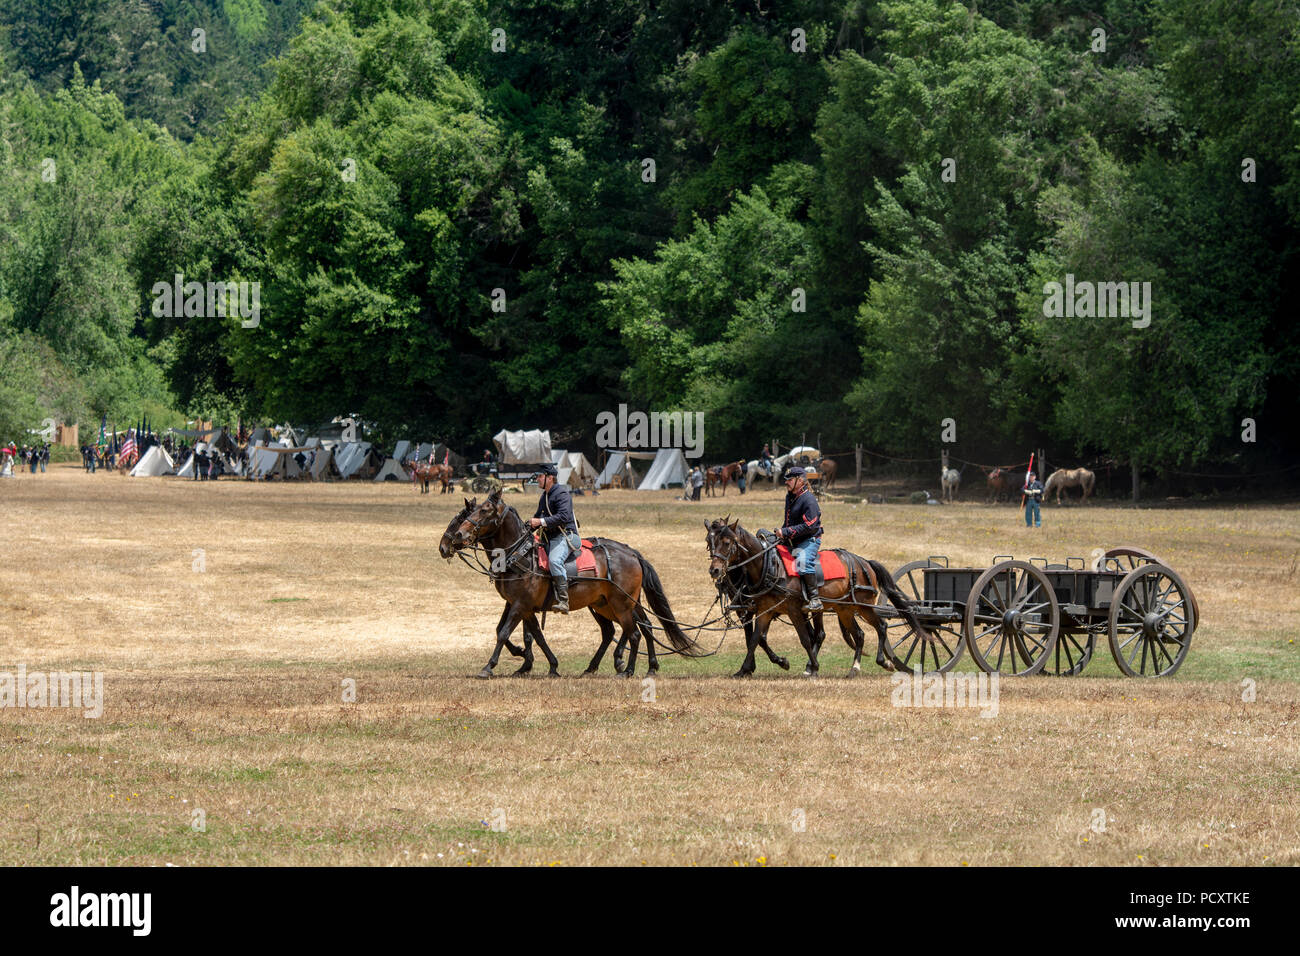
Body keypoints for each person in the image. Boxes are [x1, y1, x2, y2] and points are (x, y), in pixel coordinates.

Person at [526, 462, 580, 613]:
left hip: (567, 536)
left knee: (555, 561)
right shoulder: (545, 496)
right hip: (550, 538)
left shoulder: (561, 493)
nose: (537, 479)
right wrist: (525, 529)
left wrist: (540, 521)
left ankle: (563, 600)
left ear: (550, 478)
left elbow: (563, 517)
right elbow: (537, 519)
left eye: (540, 476)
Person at [774, 466, 823, 611]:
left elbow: (810, 526)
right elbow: (789, 522)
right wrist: (781, 533)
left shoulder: (809, 500)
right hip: (792, 538)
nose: (786, 482)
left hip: (809, 539)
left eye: (790, 479)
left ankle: (815, 599)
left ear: (800, 481)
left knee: (803, 561)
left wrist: (786, 531)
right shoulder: (790, 497)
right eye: (786, 479)